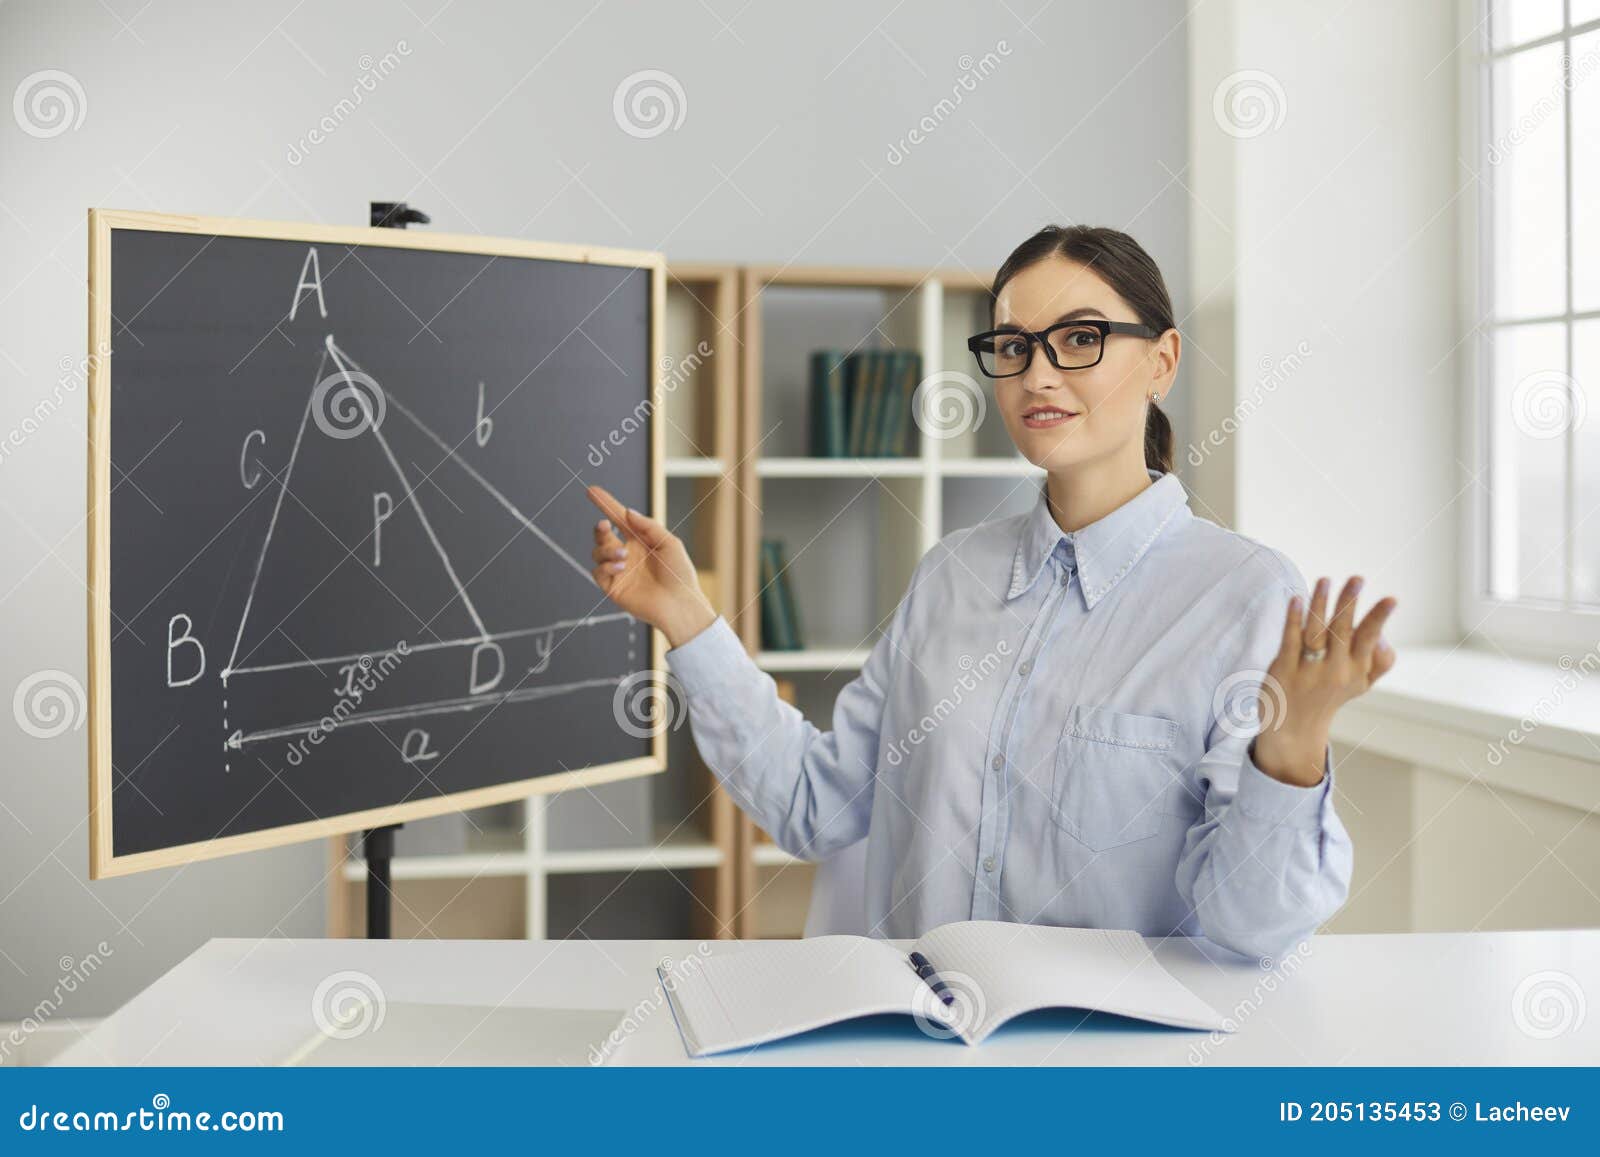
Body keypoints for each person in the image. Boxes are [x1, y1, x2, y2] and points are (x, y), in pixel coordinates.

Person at [585, 224, 1396, 957]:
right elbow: (815, 805)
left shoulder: (1243, 595)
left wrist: (1292, 753)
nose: (1038, 373)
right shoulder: (952, 574)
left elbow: (1248, 927)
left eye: (1080, 338)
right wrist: (687, 618)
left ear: (1163, 360)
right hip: (918, 1055)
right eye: (1013, 345)